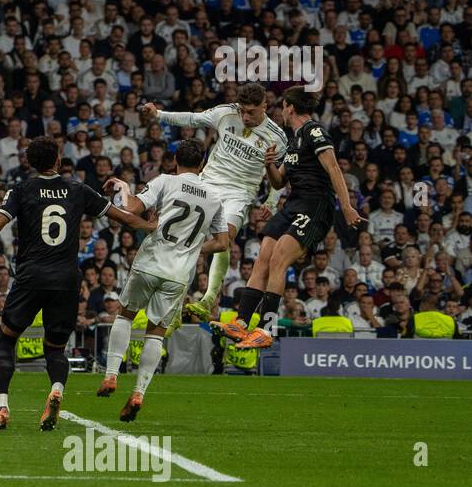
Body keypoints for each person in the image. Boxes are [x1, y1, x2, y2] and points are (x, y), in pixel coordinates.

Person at [0, 136, 156, 431]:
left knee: (7, 339)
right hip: (67, 279)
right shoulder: (77, 189)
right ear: (58, 160)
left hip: (31, 276)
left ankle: (2, 408)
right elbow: (127, 219)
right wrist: (154, 226)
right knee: (55, 348)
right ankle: (56, 389)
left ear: (30, 163)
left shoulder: (21, 189)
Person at [219, 86, 364, 350]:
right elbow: (278, 183)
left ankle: (266, 329)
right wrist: (269, 165)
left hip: (315, 205)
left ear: (290, 107)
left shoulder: (314, 131)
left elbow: (333, 169)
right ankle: (240, 322)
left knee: (278, 258)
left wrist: (347, 207)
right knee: (263, 255)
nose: (281, 112)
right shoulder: (293, 139)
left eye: (282, 107)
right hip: (293, 203)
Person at [98, 139, 231, 421]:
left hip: (150, 262)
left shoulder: (165, 181)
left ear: (175, 161)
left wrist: (123, 186)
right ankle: (138, 393)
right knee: (156, 332)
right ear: (202, 164)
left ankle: (111, 375)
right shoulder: (215, 196)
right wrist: (193, 248)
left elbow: (132, 208)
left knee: (125, 316)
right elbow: (221, 243)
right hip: (179, 273)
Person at [140, 82, 287, 326]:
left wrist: (271, 201)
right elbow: (193, 119)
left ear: (265, 106)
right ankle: (175, 308)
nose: (245, 117)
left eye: (251, 112)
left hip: (239, 192)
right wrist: (159, 115)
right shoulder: (226, 113)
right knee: (187, 237)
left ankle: (208, 299)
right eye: (243, 111)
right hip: (208, 183)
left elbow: (278, 175)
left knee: (225, 239)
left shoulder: (277, 137)